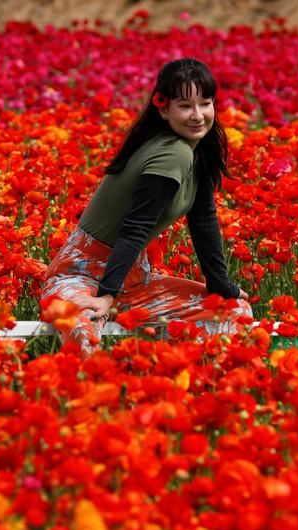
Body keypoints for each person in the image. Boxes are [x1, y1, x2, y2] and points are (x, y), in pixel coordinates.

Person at [41, 58, 252, 355]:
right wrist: (106, 297)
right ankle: (97, 397)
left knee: (233, 310)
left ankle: (184, 381)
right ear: (163, 108)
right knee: (83, 327)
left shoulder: (197, 151)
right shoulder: (172, 153)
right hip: (79, 277)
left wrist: (221, 287)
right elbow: (135, 228)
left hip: (135, 280)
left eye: (205, 103)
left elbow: (204, 223)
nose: (198, 115)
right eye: (185, 106)